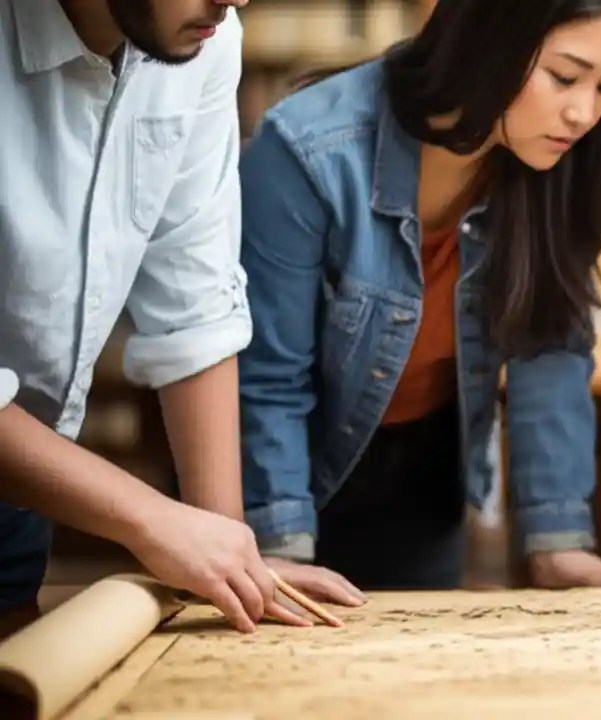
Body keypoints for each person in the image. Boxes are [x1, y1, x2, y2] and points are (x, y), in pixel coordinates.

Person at [236, 0, 601, 591]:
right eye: (564, 77)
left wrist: (558, 543)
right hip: (278, 481)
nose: (583, 112)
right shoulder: (308, 149)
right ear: (488, 41)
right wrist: (278, 549)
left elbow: (550, 351)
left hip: (421, 484)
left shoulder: (554, 164)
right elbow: (267, 377)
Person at [0, 0, 336, 637]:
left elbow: (195, 300)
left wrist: (228, 553)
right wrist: (154, 521)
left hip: (25, 483)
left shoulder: (204, 36)